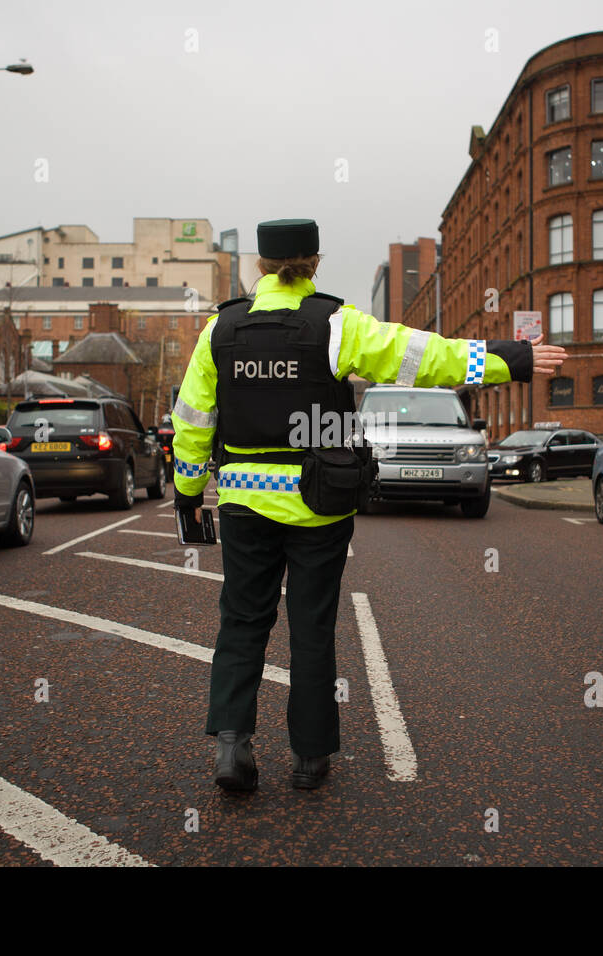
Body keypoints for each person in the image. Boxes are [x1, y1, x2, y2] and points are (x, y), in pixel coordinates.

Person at [171, 218, 567, 791]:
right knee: (312, 628)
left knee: (241, 623)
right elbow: (423, 357)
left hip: (241, 506)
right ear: (314, 263)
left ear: (261, 266)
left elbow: (191, 424)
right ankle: (309, 758)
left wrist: (188, 497)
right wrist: (512, 359)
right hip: (318, 507)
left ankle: (232, 748)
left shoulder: (219, 331)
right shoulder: (335, 324)